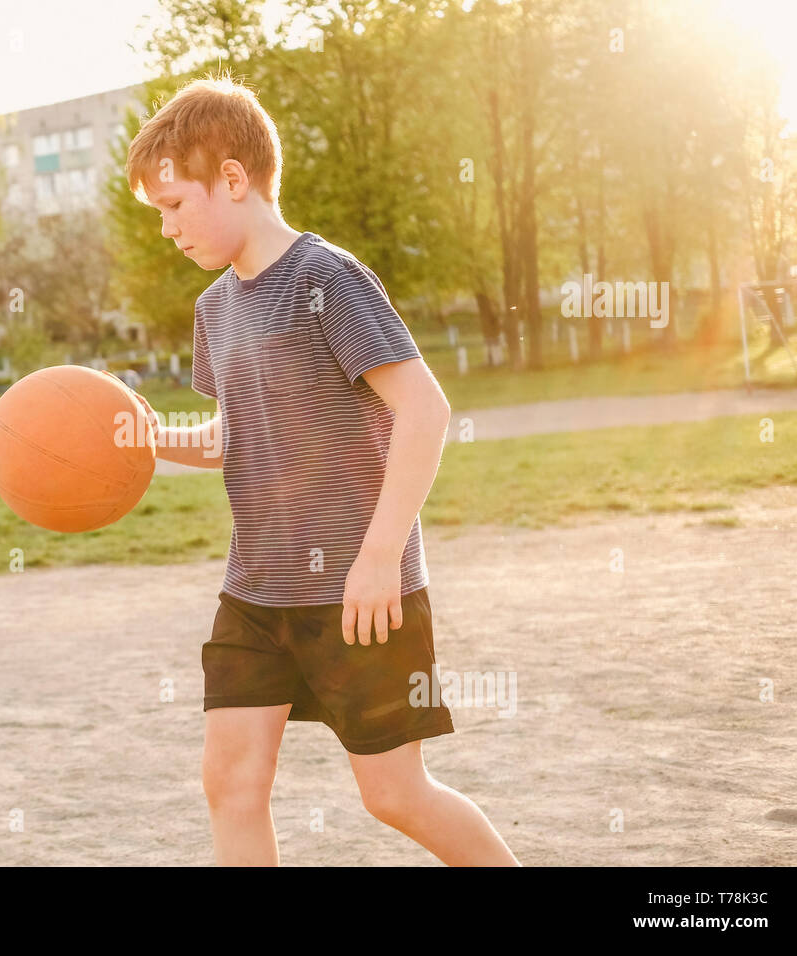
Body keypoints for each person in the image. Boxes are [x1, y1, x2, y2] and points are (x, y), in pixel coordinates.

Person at [119, 73, 519, 866]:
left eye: (172, 205)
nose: (166, 229)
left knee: (394, 794)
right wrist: (151, 437)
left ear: (232, 179)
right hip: (257, 590)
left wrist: (378, 558)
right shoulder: (213, 310)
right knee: (230, 783)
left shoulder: (325, 278)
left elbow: (425, 410)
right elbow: (243, 434)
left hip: (357, 591)